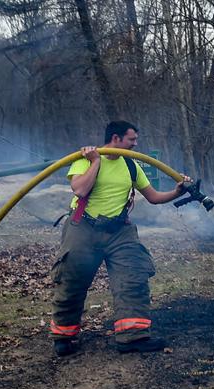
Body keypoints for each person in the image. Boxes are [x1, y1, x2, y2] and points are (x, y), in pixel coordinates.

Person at [51, 120, 194, 356]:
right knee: (72, 280)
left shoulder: (131, 166)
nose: (136, 144)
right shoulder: (84, 159)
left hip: (119, 231)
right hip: (83, 227)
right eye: (132, 140)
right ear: (116, 139)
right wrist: (96, 161)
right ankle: (64, 335)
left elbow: (154, 197)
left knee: (134, 276)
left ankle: (132, 336)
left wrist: (177, 192)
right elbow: (80, 190)